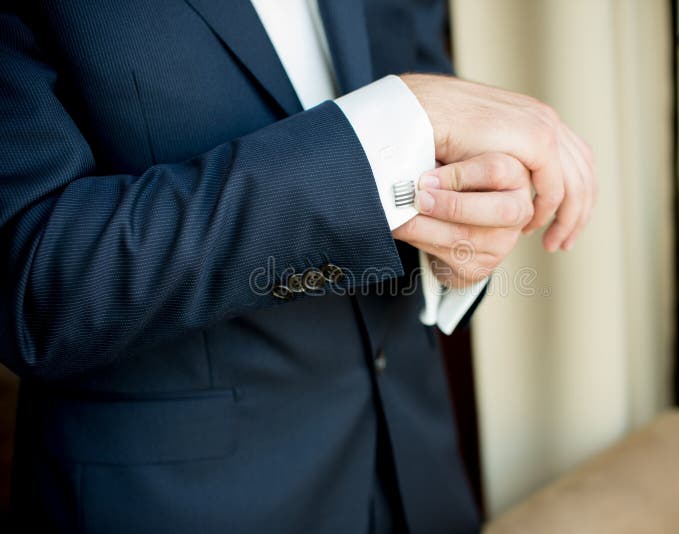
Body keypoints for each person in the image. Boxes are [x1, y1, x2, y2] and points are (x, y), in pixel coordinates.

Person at [0, 0, 596, 532]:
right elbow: (28, 283)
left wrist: (468, 234)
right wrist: (381, 132)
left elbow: (432, 153)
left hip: (422, 475)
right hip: (184, 502)